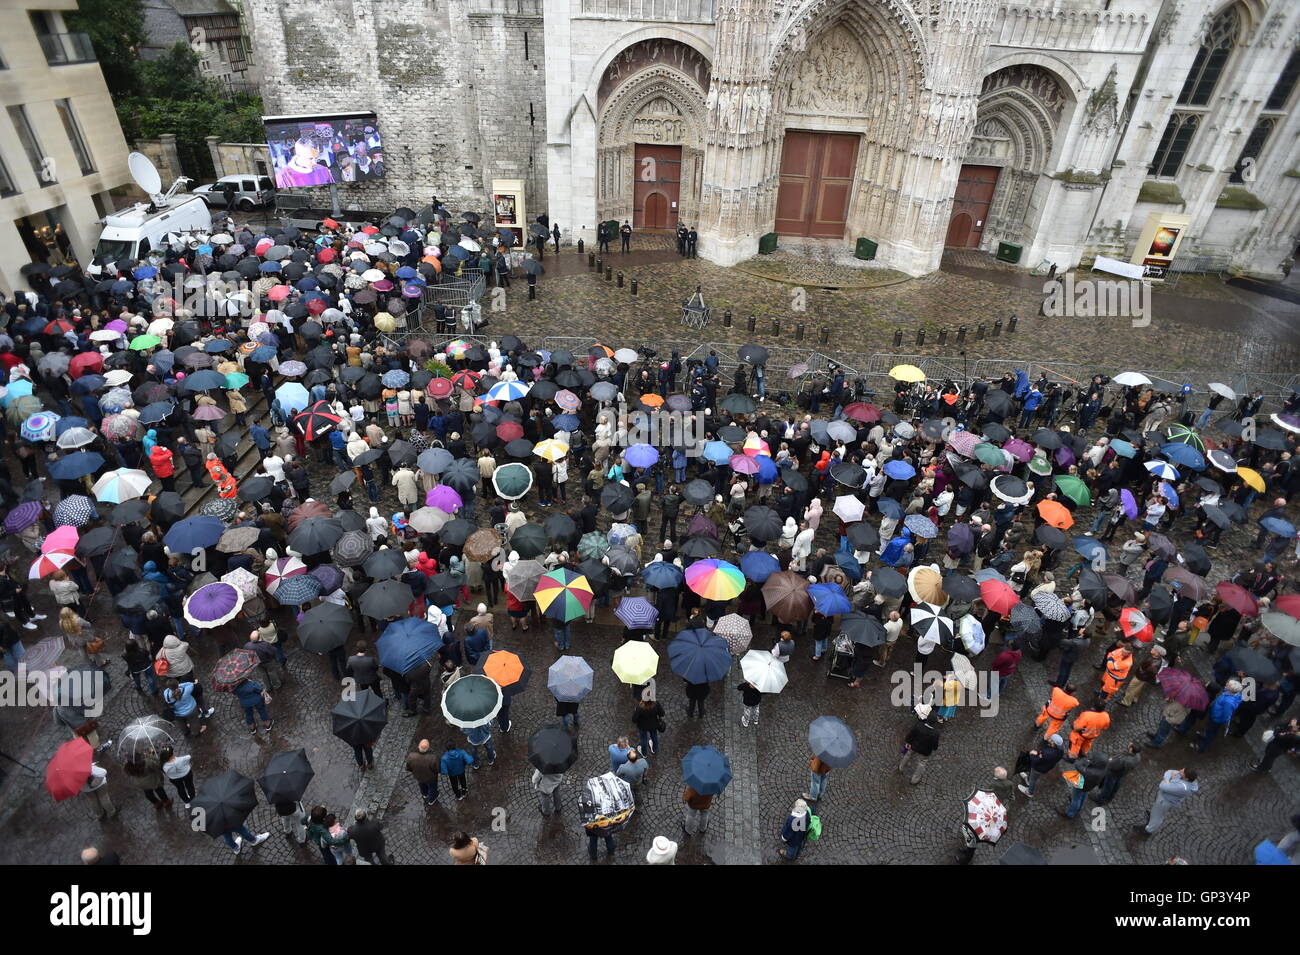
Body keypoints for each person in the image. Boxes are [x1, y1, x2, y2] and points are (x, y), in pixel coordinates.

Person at [1135, 768, 1198, 836]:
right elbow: (1169, 771)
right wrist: (1168, 781)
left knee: (1158, 817)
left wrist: (1169, 780)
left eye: (1182, 772)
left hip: (1165, 801)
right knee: (1156, 812)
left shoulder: (1182, 788)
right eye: (1182, 769)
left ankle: (1148, 830)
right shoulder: (1186, 777)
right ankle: (1151, 818)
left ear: (1186, 779)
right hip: (1163, 798)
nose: (1180, 771)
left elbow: (1162, 785)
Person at [899, 703, 940, 784]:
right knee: (922, 763)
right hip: (925, 751)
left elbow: (911, 735)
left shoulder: (919, 726)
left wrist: (908, 742)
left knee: (908, 755)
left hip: (914, 746)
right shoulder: (935, 733)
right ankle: (914, 780)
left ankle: (901, 767)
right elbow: (935, 746)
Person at [406, 738, 440, 806]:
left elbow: (408, 768)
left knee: (421, 784)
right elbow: (437, 769)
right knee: (432, 788)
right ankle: (431, 800)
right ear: (427, 748)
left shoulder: (411, 756)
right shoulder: (433, 758)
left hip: (418, 776)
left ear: (419, 746)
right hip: (430, 778)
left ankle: (425, 794)